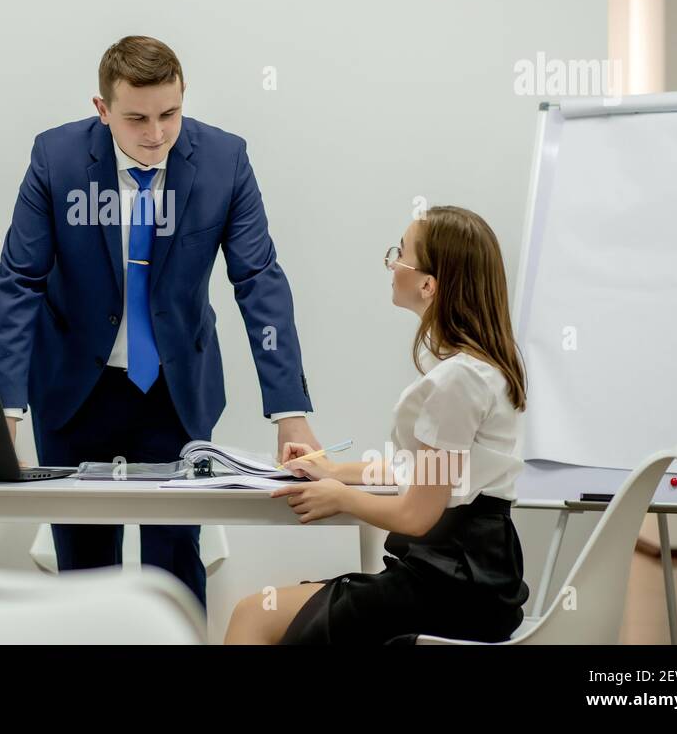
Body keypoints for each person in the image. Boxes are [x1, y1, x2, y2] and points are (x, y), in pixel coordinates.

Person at [0, 35, 319, 608]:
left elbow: (258, 280)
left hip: (174, 392)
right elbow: (20, 281)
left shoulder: (224, 160)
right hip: (72, 393)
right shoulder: (56, 158)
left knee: (173, 571)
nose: (157, 133)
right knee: (86, 579)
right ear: (102, 109)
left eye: (170, 113)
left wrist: (291, 414)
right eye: (136, 118)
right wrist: (3, 412)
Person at [224, 205, 530, 643]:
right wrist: (331, 471)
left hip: (448, 584)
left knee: (254, 615)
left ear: (429, 284)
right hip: (469, 578)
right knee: (261, 612)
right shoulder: (479, 369)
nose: (391, 264)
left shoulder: (457, 381)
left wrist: (340, 497)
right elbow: (426, 478)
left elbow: (417, 514)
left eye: (400, 254)